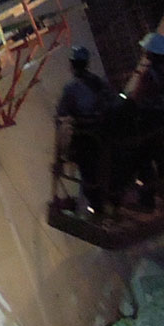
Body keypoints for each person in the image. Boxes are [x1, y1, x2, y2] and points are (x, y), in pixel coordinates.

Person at [57, 45, 113, 216]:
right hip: (102, 135)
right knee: (99, 171)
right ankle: (98, 204)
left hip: (84, 137)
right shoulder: (99, 83)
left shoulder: (72, 88)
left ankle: (97, 209)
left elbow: (62, 112)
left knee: (88, 175)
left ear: (73, 64)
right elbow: (111, 102)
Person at [131, 31, 164, 212]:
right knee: (160, 156)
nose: (145, 53)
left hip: (147, 118)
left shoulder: (150, 74)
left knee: (143, 158)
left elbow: (138, 95)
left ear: (152, 52)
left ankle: (147, 201)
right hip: (162, 115)